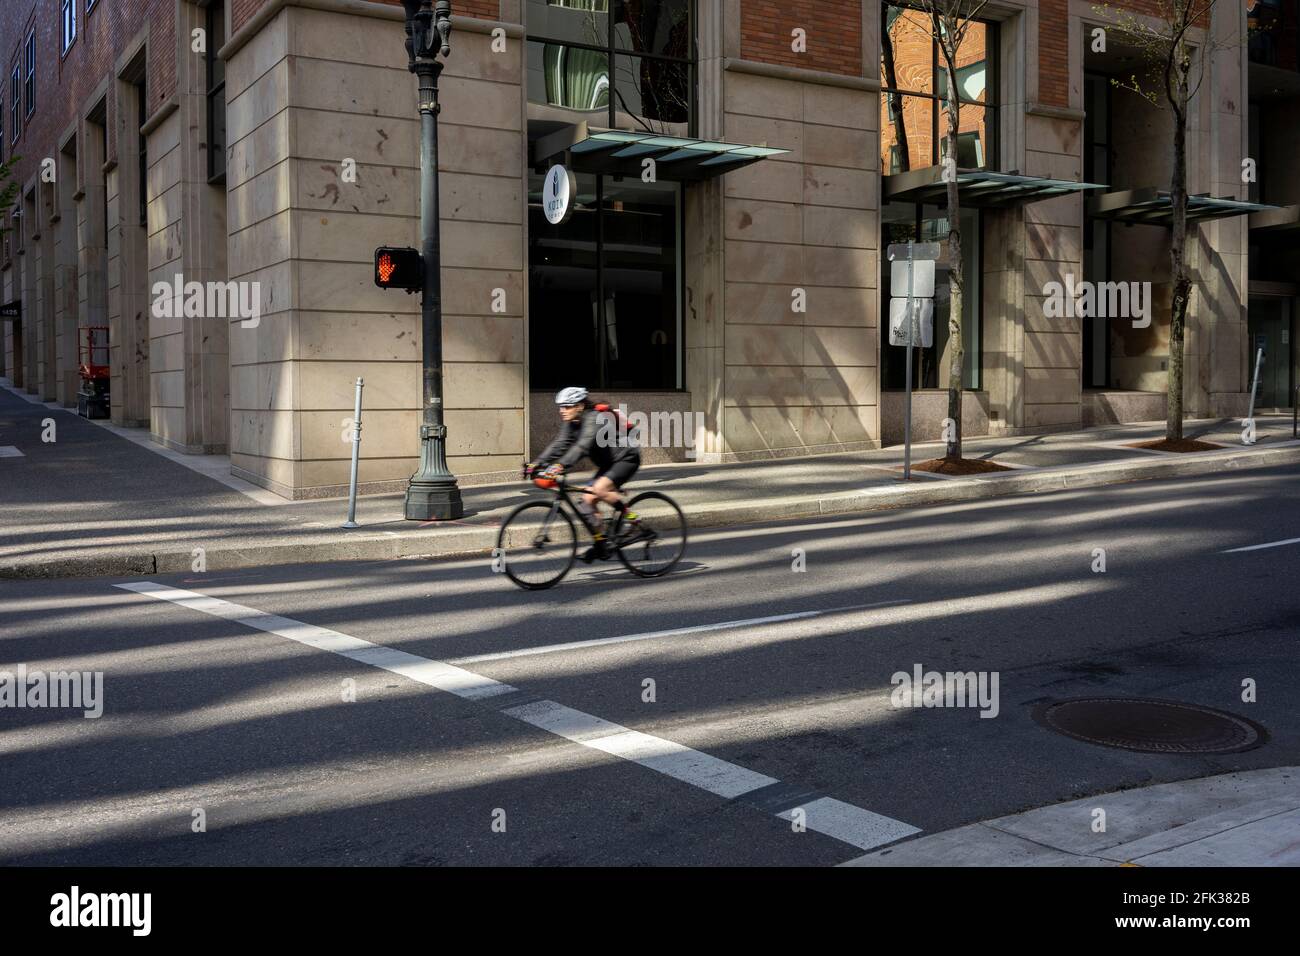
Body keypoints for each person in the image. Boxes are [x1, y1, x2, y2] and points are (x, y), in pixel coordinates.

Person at [528, 386, 641, 563]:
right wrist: (537, 464)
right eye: (561, 406)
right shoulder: (572, 422)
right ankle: (601, 543)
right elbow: (559, 444)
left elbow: (583, 446)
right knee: (586, 502)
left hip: (626, 458)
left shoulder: (593, 418)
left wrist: (559, 466)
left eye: (567, 406)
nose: (562, 411)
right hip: (608, 464)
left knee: (598, 489)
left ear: (579, 406)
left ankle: (633, 520)